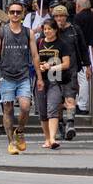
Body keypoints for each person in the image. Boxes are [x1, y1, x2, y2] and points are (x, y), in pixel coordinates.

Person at [0, 2, 40, 155]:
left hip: (23, 75)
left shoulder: (28, 32)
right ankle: (11, 142)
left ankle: (20, 131)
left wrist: (40, 77)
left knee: (25, 107)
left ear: (23, 14)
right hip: (6, 75)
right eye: (12, 12)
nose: (15, 15)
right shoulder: (1, 31)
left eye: (18, 12)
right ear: (8, 13)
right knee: (8, 109)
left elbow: (35, 56)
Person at [49, 4, 89, 140]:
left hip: (70, 71)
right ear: (53, 17)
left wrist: (87, 65)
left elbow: (83, 48)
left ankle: (70, 124)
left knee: (70, 98)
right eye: (56, 16)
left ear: (66, 16)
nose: (59, 18)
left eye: (62, 16)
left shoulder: (74, 29)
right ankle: (60, 124)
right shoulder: (50, 30)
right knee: (57, 101)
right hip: (54, 71)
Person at [34, 18, 73, 150]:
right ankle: (47, 138)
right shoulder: (38, 43)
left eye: (50, 29)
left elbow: (66, 64)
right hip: (40, 81)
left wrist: (51, 67)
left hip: (55, 81)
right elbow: (33, 60)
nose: (47, 31)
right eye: (45, 29)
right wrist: (41, 66)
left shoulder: (62, 44)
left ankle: (52, 138)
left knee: (53, 109)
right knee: (43, 112)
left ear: (55, 30)